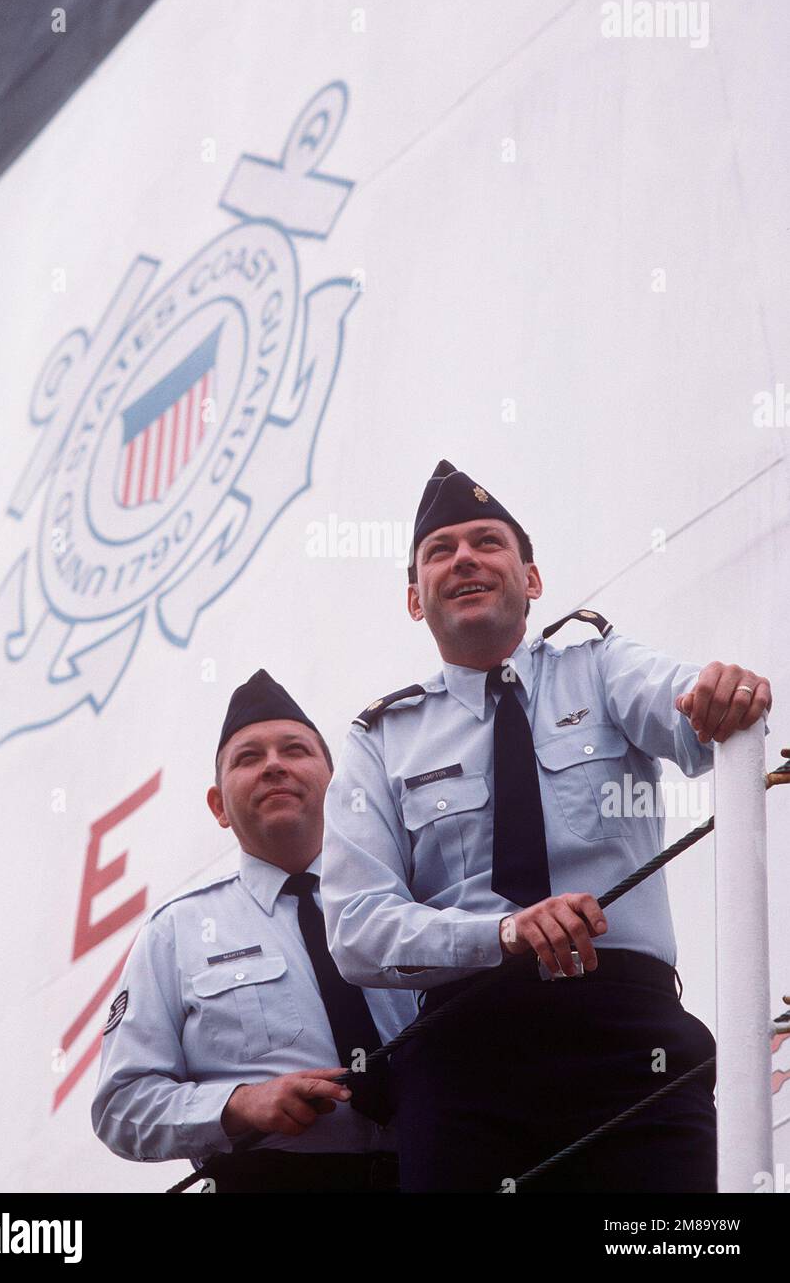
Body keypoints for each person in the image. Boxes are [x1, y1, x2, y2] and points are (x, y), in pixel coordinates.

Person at [320, 459, 772, 1193]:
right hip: (466, 1064)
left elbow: (686, 712)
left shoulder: (600, 667)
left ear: (531, 580)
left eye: (486, 542)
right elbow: (357, 928)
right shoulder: (379, 740)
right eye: (439, 552)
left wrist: (719, 694)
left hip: (626, 1037)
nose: (463, 557)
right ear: (414, 599)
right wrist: (499, 933)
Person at [91, 669, 415, 1192]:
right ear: (219, 806)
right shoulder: (175, 934)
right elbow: (120, 1107)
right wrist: (239, 1105)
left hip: (439, 1170)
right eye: (248, 758)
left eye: (295, 750)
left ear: (337, 789)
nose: (274, 767)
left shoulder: (405, 894)